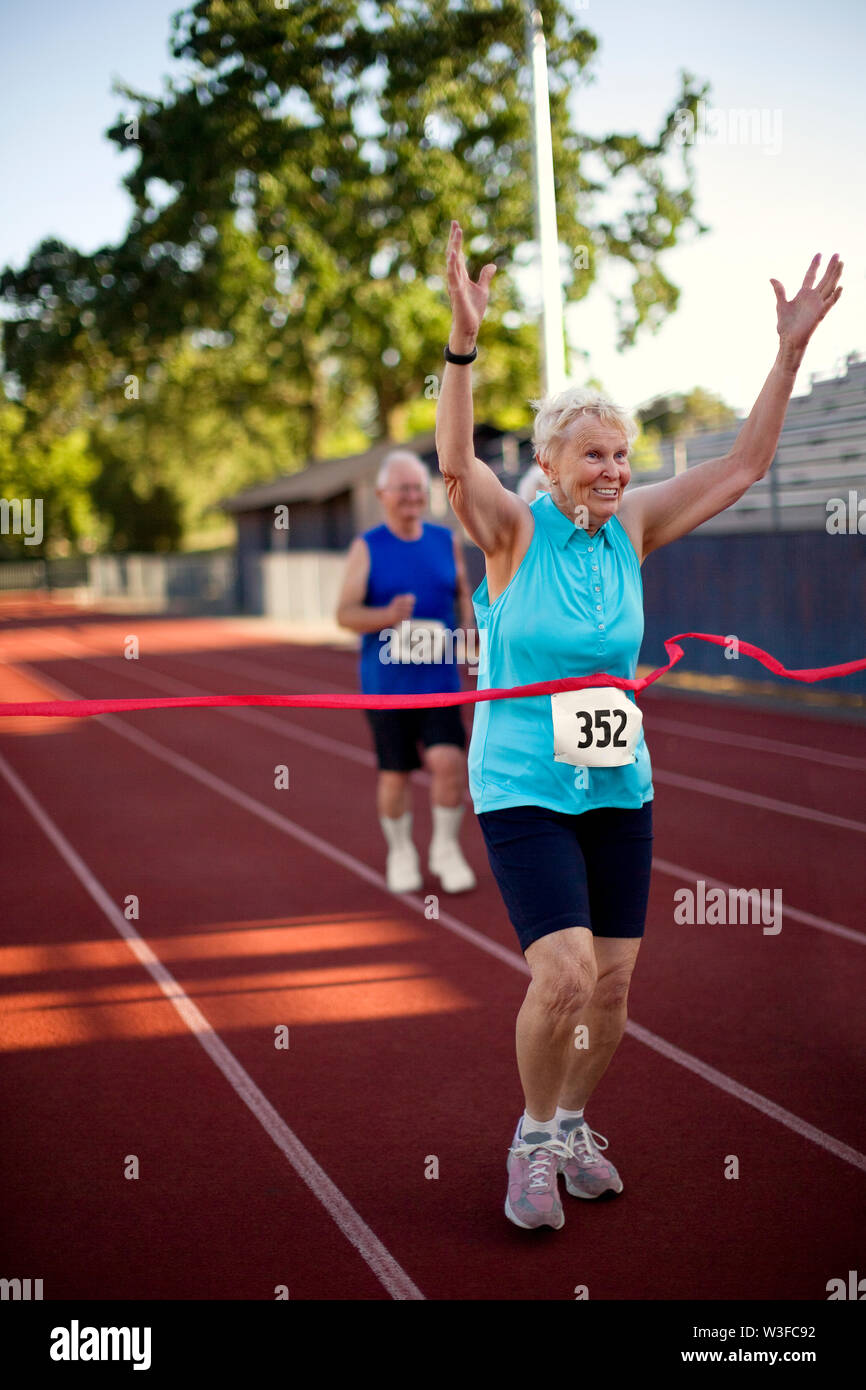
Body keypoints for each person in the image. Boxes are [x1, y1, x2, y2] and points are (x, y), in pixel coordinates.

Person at [436, 219, 842, 1229]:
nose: (613, 469)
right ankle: (529, 1143)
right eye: (592, 454)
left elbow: (744, 464)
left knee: (611, 990)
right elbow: (453, 465)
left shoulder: (634, 526)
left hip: (616, 785)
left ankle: (572, 1122)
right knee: (563, 970)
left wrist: (787, 350)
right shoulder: (510, 529)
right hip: (524, 782)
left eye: (621, 453)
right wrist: (461, 345)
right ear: (550, 461)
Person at [336, 448, 478, 895]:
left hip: (439, 684)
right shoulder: (368, 547)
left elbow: (462, 595)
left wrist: (470, 637)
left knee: (449, 762)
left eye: (419, 488)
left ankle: (445, 848)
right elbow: (344, 614)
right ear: (383, 494)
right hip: (387, 688)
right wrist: (387, 615)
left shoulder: (445, 540)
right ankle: (400, 851)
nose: (413, 496)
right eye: (404, 489)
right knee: (395, 773)